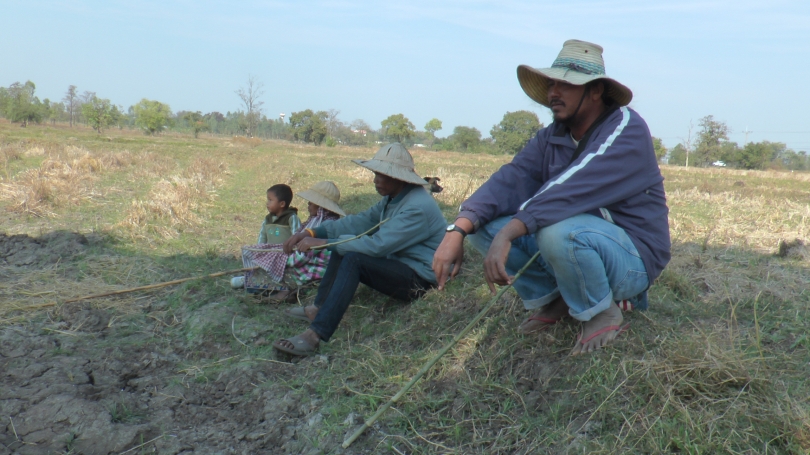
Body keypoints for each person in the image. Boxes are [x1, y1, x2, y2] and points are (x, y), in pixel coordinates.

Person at [432, 39, 671, 355]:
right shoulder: (553, 136)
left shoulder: (625, 128)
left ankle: (600, 311)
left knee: (558, 230)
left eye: (565, 85)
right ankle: (555, 298)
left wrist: (510, 232)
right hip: (583, 240)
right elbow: (512, 178)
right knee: (484, 227)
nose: (552, 93)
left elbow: (570, 187)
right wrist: (458, 229)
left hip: (631, 255)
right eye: (551, 85)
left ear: (596, 91)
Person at [273, 143, 447, 356]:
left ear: (399, 178)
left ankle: (314, 335)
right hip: (401, 264)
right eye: (376, 173)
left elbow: (377, 245)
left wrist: (324, 244)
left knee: (353, 256)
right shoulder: (392, 199)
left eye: (382, 175)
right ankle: (318, 308)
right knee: (344, 245)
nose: (375, 180)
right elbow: (359, 222)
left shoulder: (416, 207)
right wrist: (312, 233)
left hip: (420, 279)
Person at [231, 183, 304, 297]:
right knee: (250, 254)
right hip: (269, 253)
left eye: (270, 200)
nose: (267, 203)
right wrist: (259, 252)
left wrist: (291, 251)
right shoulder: (268, 219)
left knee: (276, 273)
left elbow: (296, 235)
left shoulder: (291, 218)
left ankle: (262, 284)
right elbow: (263, 236)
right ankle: (250, 280)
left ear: (282, 204)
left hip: (283, 254)